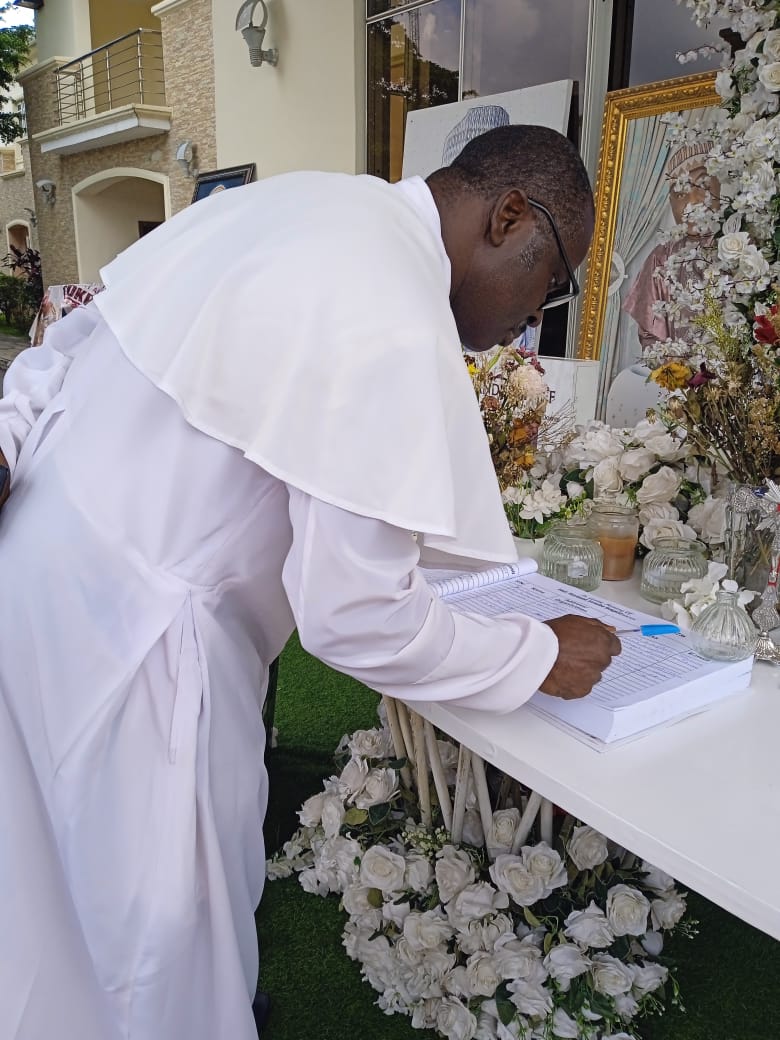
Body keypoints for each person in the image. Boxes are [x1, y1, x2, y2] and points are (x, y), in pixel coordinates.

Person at [0, 124, 620, 1040]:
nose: (531, 321)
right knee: (152, 950)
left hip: (34, 576)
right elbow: (357, 617)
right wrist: (539, 655)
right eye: (549, 283)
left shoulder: (297, 202)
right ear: (509, 216)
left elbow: (60, 355)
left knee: (37, 892)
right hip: (145, 661)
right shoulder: (394, 311)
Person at [622, 141, 720, 354]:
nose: (692, 201)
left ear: (718, 186)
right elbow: (650, 337)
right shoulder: (662, 258)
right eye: (680, 193)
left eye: (702, 186)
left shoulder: (742, 248)